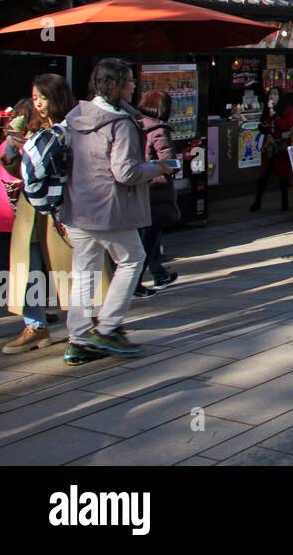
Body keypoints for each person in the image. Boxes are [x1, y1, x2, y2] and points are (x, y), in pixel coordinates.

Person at [60, 59, 173, 365]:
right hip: (109, 208)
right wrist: (158, 167)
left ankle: (78, 339)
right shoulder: (119, 123)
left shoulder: (76, 115)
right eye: (130, 80)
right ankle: (108, 327)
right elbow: (125, 173)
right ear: (117, 84)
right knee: (132, 259)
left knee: (84, 273)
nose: (134, 84)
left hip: (77, 207)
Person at [2, 79, 74, 354]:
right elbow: (12, 167)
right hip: (30, 205)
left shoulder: (73, 126)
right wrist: (12, 147)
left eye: (43, 97)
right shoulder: (29, 125)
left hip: (62, 203)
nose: (39, 103)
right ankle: (35, 325)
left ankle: (84, 322)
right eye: (35, 97)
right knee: (28, 266)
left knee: (69, 264)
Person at [135, 90, 180, 297]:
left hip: (139, 187)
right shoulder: (159, 131)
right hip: (158, 190)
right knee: (149, 238)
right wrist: (175, 165)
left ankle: (159, 272)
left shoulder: (135, 125)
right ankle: (134, 283)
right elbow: (168, 161)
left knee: (148, 236)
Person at [250, 88, 293, 212]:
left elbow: (287, 125)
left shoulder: (287, 110)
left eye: (275, 94)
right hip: (269, 146)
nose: (272, 96)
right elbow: (263, 124)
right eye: (271, 94)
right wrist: (263, 128)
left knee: (283, 175)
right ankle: (257, 202)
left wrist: (274, 116)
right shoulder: (267, 108)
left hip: (281, 146)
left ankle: (285, 203)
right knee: (263, 174)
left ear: (280, 96)